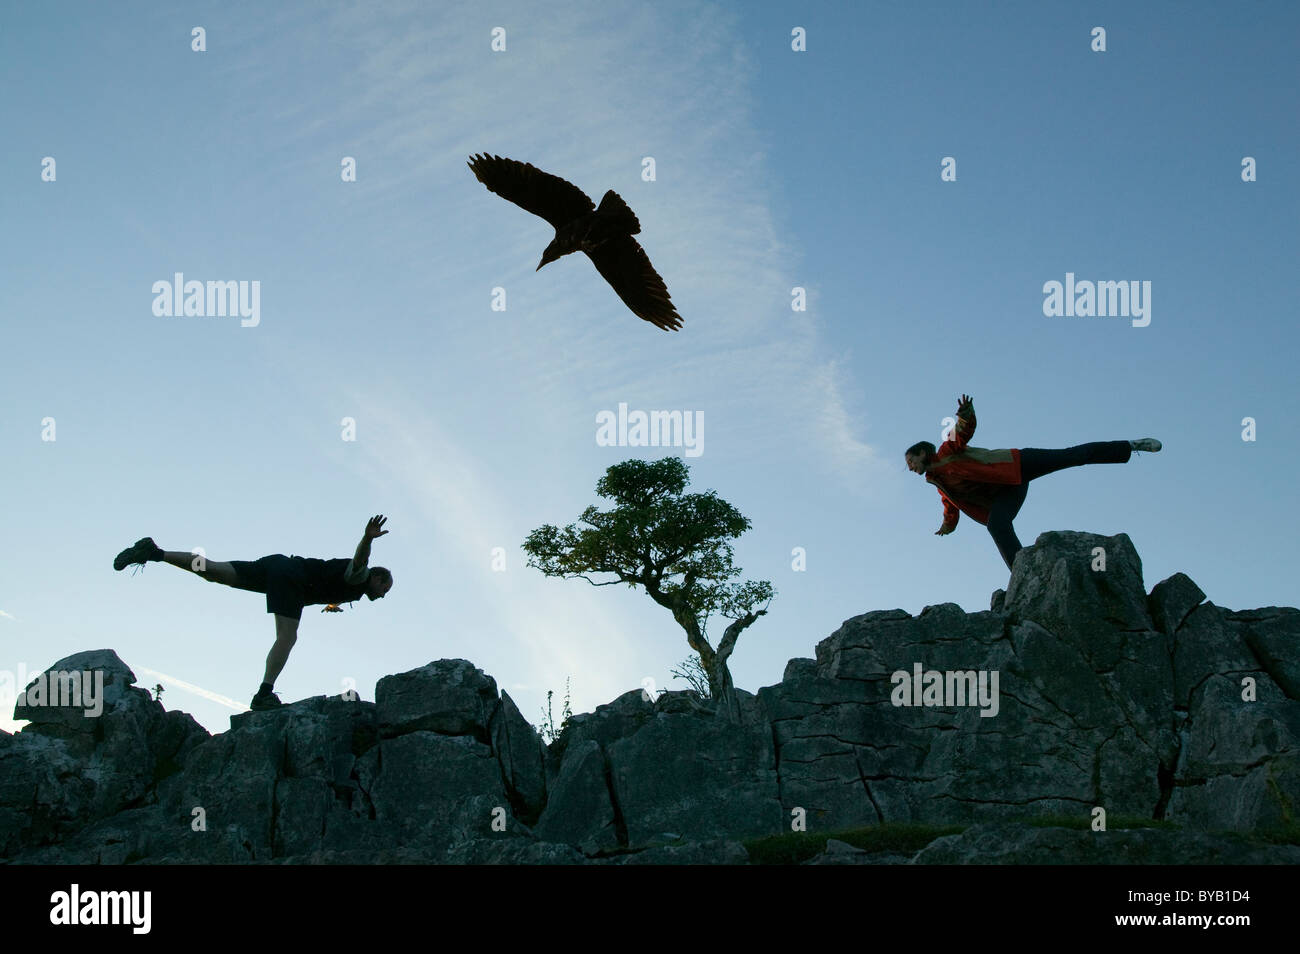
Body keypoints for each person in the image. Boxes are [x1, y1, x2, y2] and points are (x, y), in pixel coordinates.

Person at [113, 515, 393, 710]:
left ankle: (155, 553)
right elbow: (360, 561)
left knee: (213, 571)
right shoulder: (361, 578)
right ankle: (264, 693)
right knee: (287, 637)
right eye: (384, 589)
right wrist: (367, 538)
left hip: (278, 566)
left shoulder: (352, 585)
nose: (382, 596)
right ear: (377, 579)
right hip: (293, 579)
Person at [906, 396, 1161, 571]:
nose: (911, 468)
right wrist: (946, 527)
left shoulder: (947, 449)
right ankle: (1023, 572)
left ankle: (1131, 445)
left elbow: (962, 430)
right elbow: (951, 508)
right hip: (1008, 491)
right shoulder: (938, 483)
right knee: (997, 525)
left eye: (911, 461)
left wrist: (965, 414)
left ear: (921, 453)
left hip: (1017, 463)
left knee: (1071, 456)